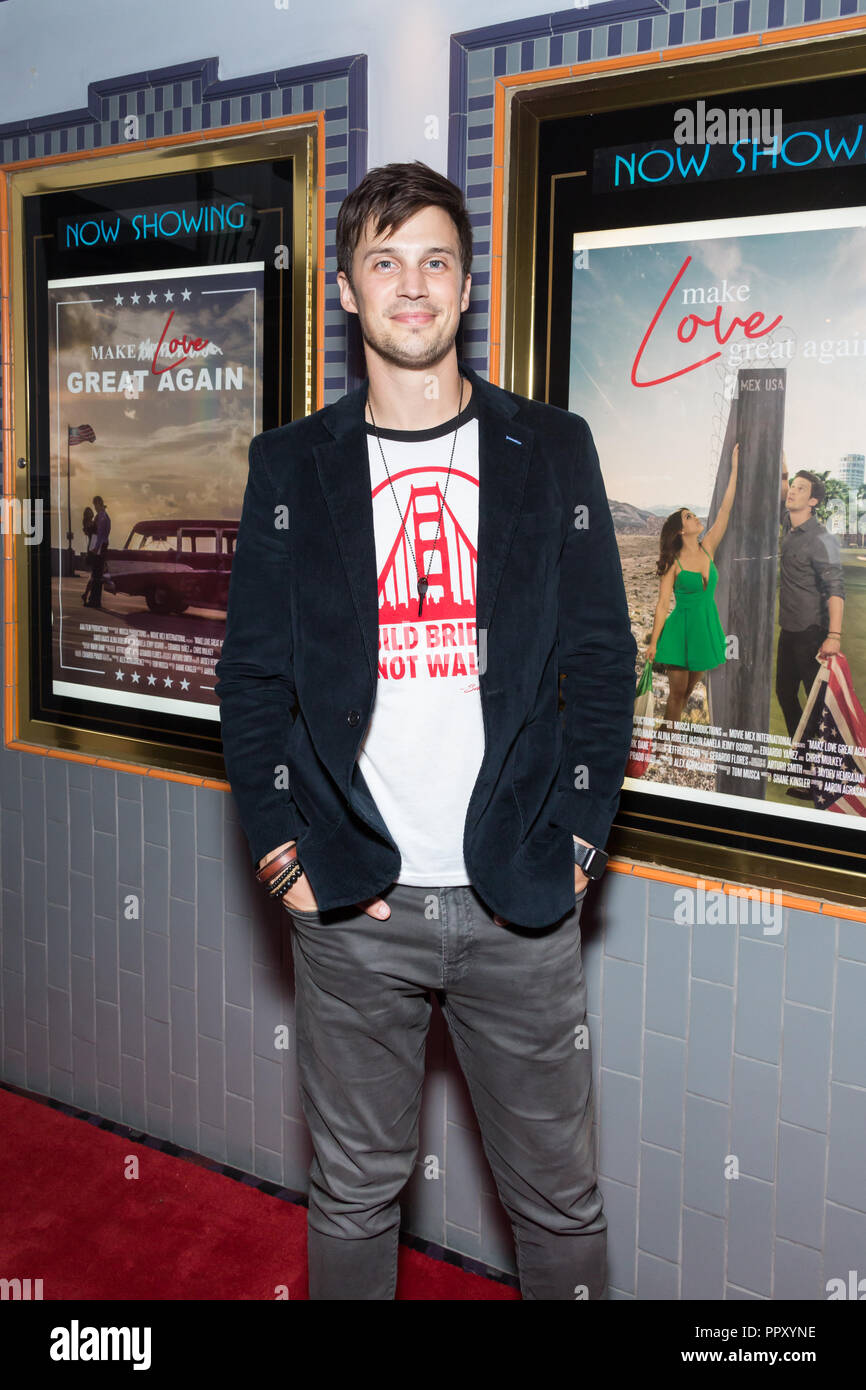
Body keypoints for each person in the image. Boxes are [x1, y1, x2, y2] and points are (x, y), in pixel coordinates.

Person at [214, 161, 637, 1301]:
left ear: (465, 286)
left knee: (559, 1200)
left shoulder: (551, 449)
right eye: (384, 261)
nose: (411, 286)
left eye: (434, 261)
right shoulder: (289, 465)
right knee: (353, 1192)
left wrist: (580, 839)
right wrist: (281, 851)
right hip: (353, 903)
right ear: (346, 289)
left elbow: (601, 664)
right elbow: (250, 678)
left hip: (521, 903)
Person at [646, 443, 738, 726]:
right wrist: (652, 641)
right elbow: (663, 605)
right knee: (675, 696)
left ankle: (664, 736)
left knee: (686, 694)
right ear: (681, 530)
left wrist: (735, 469)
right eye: (689, 516)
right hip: (680, 631)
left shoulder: (708, 546)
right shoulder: (672, 562)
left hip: (706, 628)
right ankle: (666, 747)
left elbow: (724, 510)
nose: (695, 517)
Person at [776, 458, 845, 796]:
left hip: (811, 632)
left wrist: (834, 635)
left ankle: (819, 776)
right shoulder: (788, 527)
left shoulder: (821, 538)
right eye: (793, 487)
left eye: (801, 489)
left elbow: (836, 589)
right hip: (788, 630)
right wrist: (784, 466)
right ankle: (803, 765)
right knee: (785, 694)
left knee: (816, 708)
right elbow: (780, 490)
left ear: (814, 501)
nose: (793, 492)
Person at [84, 495, 111, 608]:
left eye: (95, 504)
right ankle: (96, 601)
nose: (94, 507)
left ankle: (94, 601)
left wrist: (96, 548)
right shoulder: (105, 516)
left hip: (99, 547)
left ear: (99, 503)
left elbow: (100, 535)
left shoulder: (101, 516)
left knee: (96, 575)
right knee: (98, 576)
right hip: (103, 546)